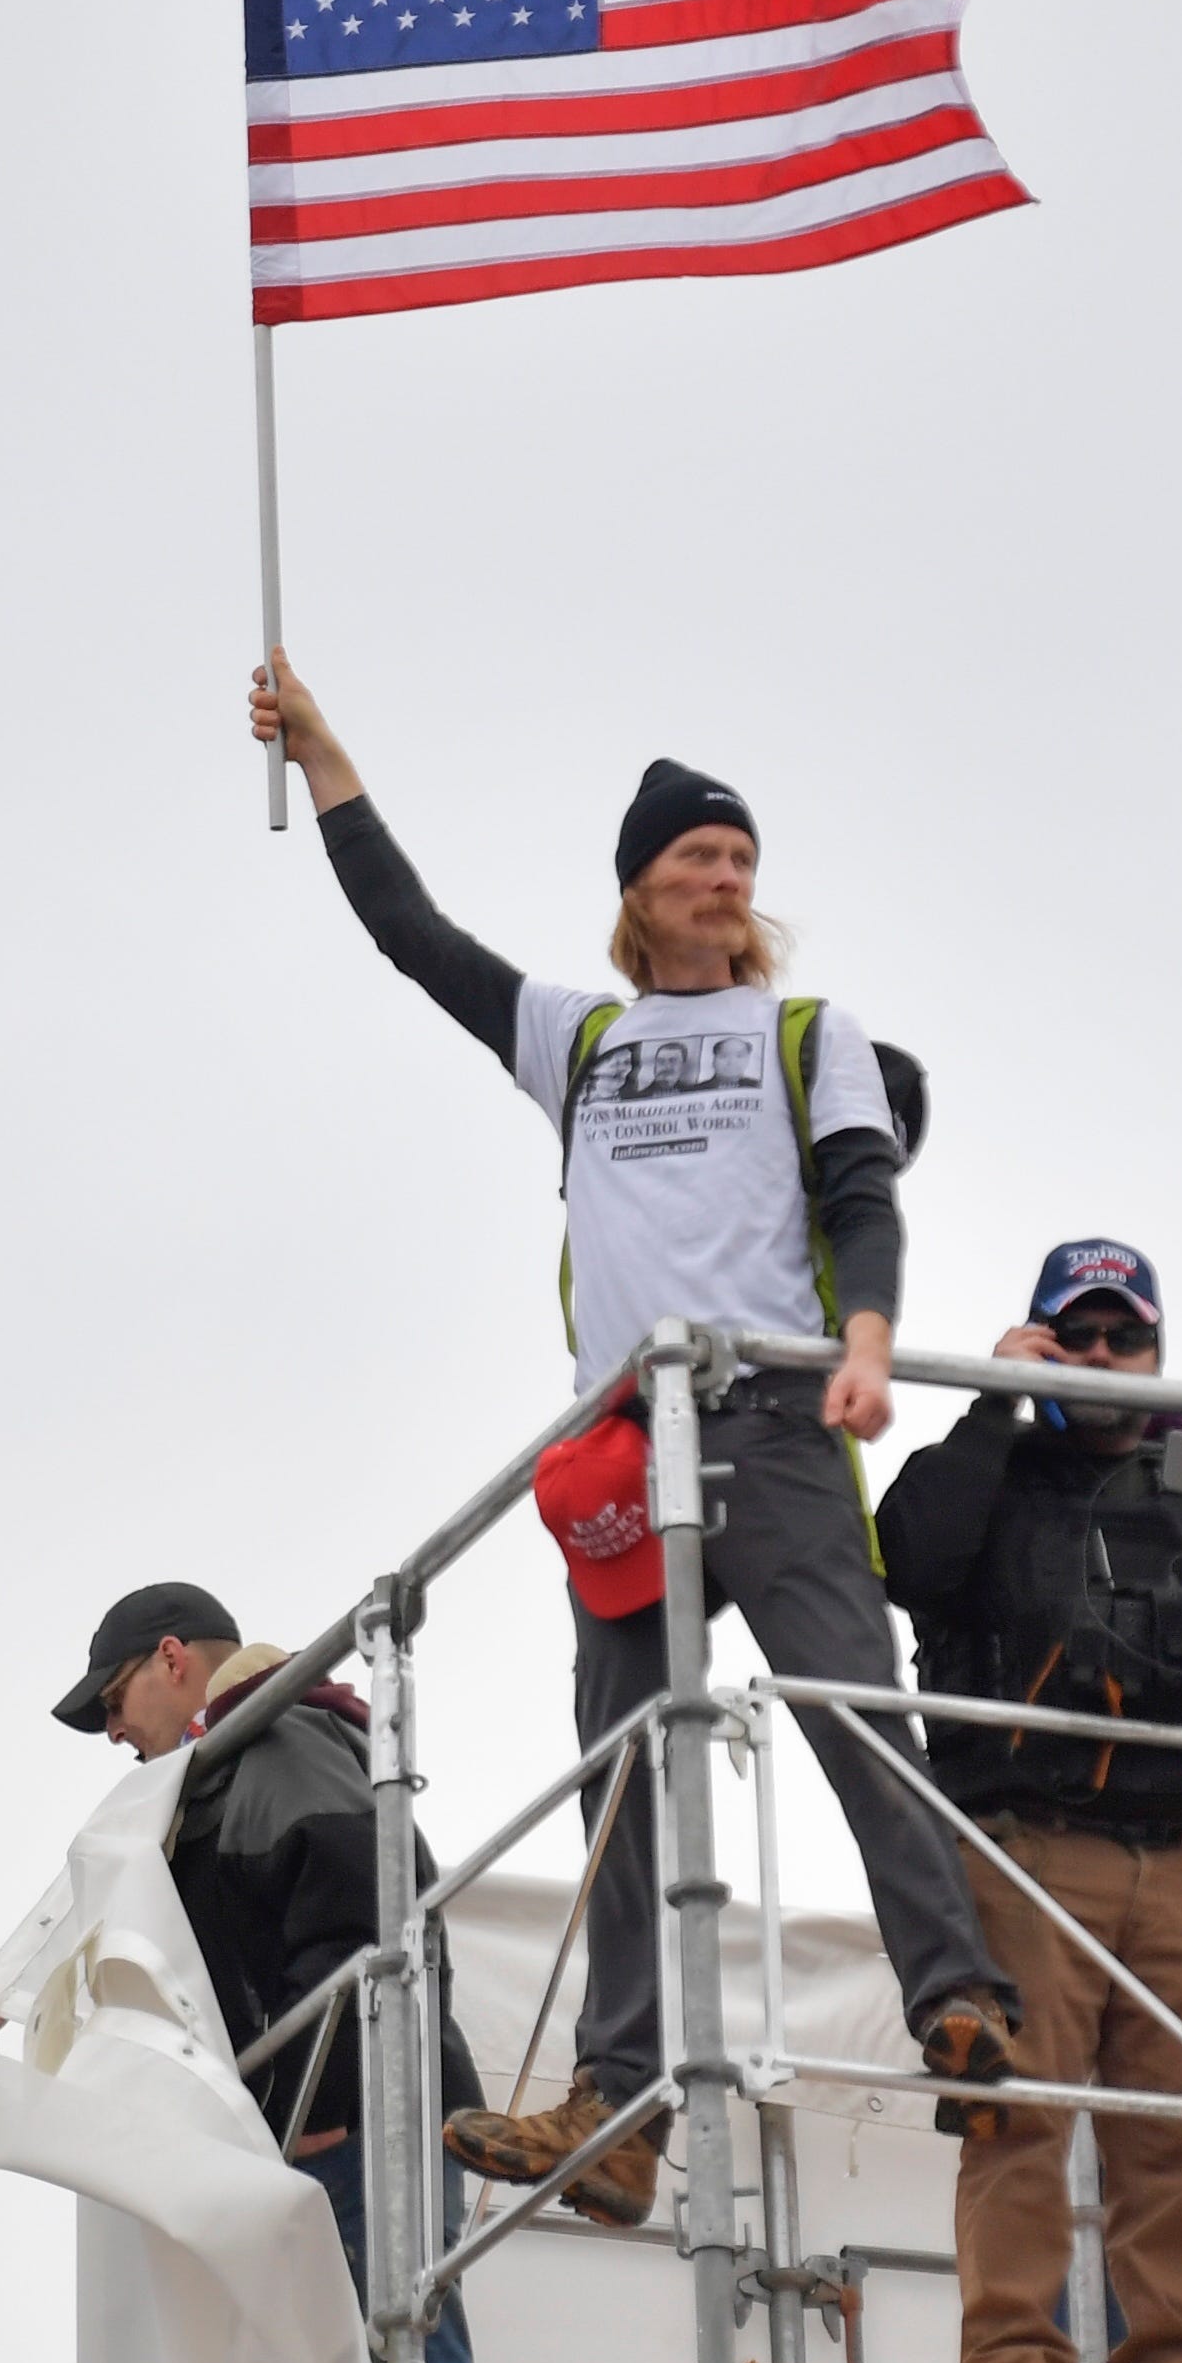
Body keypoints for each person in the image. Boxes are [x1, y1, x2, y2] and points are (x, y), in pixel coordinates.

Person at [249, 659, 1018, 2225]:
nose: (724, 881)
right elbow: (412, 936)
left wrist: (867, 1345)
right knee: (621, 1774)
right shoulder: (577, 1036)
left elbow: (865, 1197)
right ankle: (617, 2107)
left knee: (856, 1711)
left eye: (739, 862)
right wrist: (328, 755)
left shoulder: (808, 1030)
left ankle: (964, 2005)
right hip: (619, 1452)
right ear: (638, 890)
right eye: (695, 859)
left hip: (774, 1418)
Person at [872, 1240, 1182, 2363]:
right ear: (1033, 1338)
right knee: (1014, 2121)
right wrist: (990, 1403)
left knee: (1181, 2143)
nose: (1098, 1357)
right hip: (1027, 1846)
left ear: (1156, 1347)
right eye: (1072, 1333)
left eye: (1120, 1336)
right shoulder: (993, 1464)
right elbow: (908, 1560)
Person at [55, 1580, 513, 2363]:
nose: (113, 1731)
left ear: (173, 1659)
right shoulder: (227, 1777)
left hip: (357, 2122)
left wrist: (309, 2106)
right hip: (340, 2125)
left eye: (115, 1698)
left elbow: (367, 1925)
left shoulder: (278, 1745)